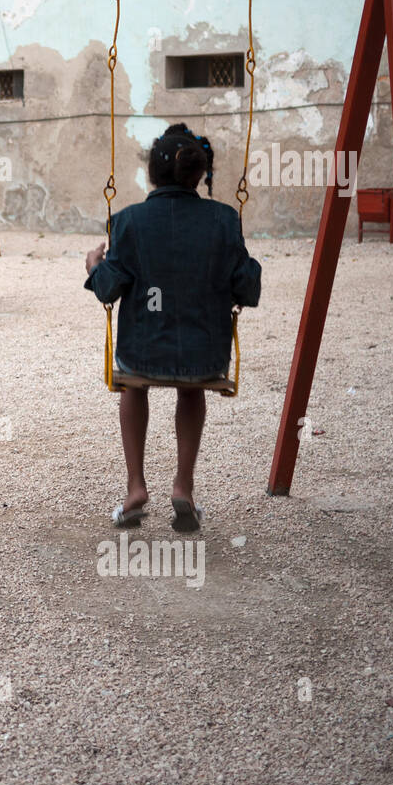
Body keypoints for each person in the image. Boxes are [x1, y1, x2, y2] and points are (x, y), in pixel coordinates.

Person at [84, 124, 261, 532]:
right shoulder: (224, 219)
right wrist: (243, 259)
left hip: (142, 354)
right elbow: (247, 290)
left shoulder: (127, 221)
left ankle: (135, 488)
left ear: (152, 174)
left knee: (132, 383)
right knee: (192, 386)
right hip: (204, 357)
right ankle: (183, 486)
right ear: (199, 175)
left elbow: (108, 290)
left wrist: (94, 266)